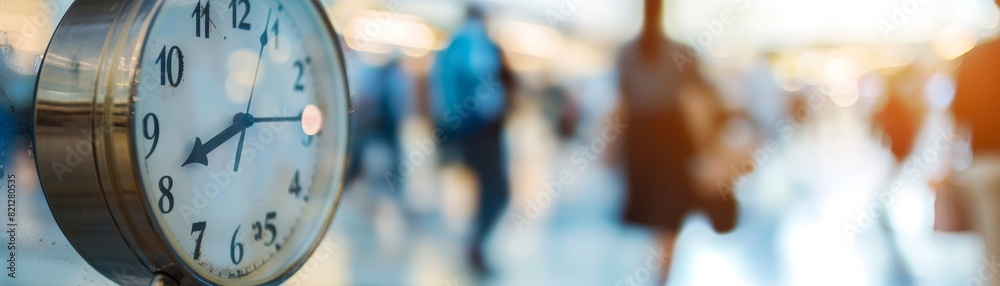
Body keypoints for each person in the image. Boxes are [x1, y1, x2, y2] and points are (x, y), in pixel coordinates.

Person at [617, 0, 743, 282]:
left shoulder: (627, 52)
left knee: (657, 217)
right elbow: (693, 105)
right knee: (667, 217)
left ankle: (658, 273)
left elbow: (622, 104)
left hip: (639, 143)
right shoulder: (681, 51)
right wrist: (708, 147)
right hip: (671, 142)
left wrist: (612, 148)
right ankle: (661, 275)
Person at [428, 6, 514, 276]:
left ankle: (474, 245)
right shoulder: (475, 42)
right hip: (481, 130)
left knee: (486, 190)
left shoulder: (451, 45)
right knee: (497, 192)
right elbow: (483, 84)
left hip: (462, 129)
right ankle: (475, 246)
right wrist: (493, 114)